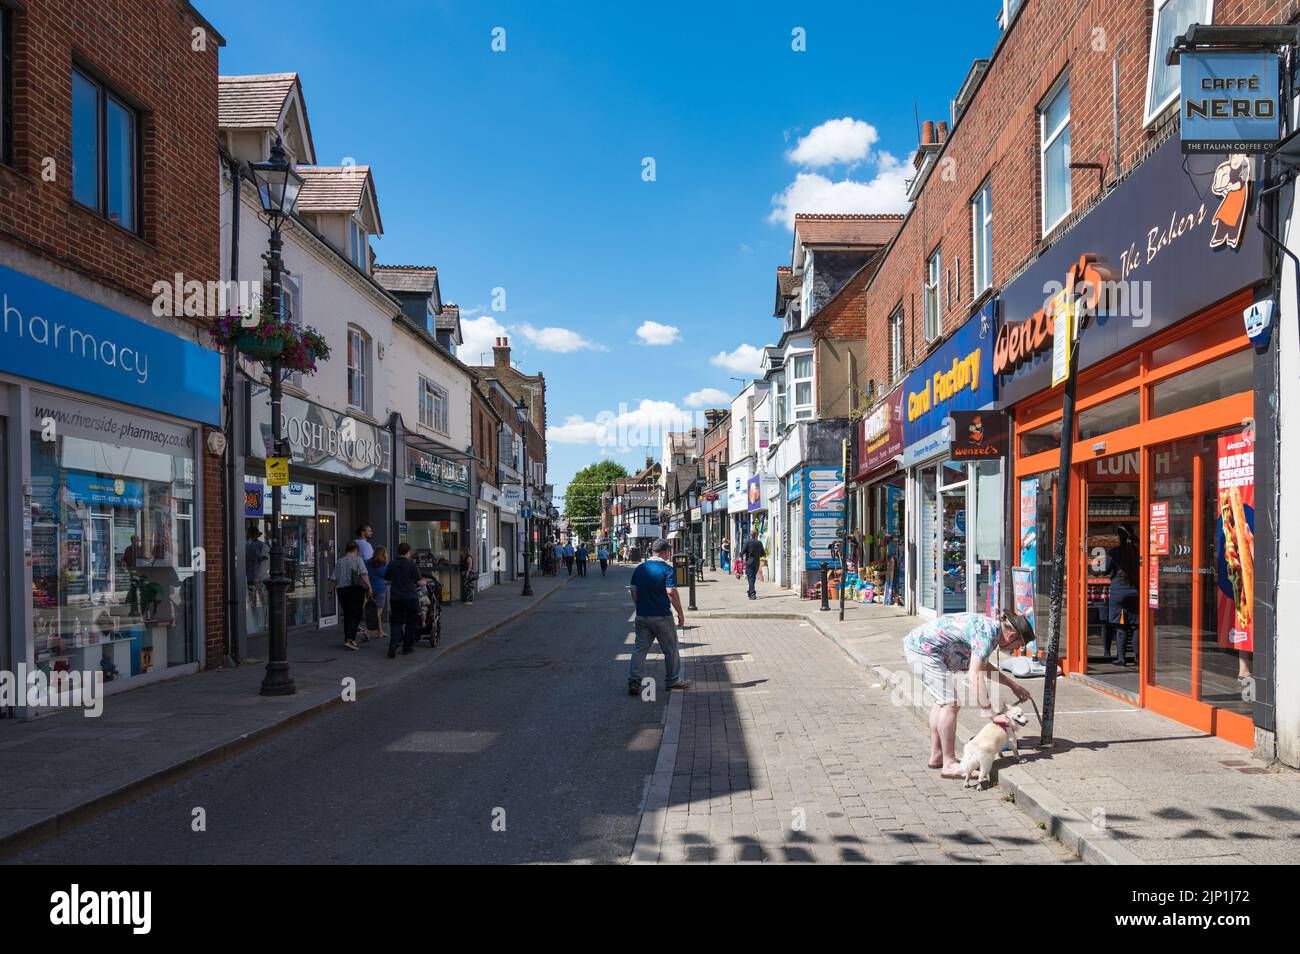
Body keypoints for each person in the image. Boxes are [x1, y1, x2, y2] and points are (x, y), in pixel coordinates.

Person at [902, 611, 1034, 777]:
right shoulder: (987, 635)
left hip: (920, 647)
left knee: (942, 702)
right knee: (951, 703)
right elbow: (975, 675)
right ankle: (949, 764)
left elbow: (983, 666)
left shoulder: (990, 631)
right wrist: (992, 715)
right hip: (924, 651)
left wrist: (1013, 685)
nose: (1017, 650)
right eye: (1019, 645)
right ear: (1011, 635)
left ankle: (937, 755)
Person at [627, 538, 689, 695]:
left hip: (642, 616)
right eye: (668, 551)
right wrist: (680, 613)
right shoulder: (666, 569)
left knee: (640, 649)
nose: (669, 553)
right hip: (661, 616)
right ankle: (672, 681)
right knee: (671, 649)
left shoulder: (640, 568)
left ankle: (634, 680)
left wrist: (639, 606)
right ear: (663, 552)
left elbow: (633, 591)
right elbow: (671, 592)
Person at [1104, 526, 1141, 665]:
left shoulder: (1114, 552)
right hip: (1136, 592)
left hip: (1118, 592)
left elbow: (1105, 570)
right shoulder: (1137, 552)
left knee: (1121, 625)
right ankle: (1138, 658)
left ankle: (1121, 658)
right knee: (1136, 624)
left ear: (1119, 537)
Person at [384, 543, 427, 658]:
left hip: (395, 598)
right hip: (410, 598)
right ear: (408, 552)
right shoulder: (411, 565)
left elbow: (386, 580)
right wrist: (424, 582)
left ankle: (393, 646)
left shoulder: (392, 564)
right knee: (411, 623)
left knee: (396, 623)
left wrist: (395, 582)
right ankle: (407, 648)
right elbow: (419, 581)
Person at [328, 541, 371, 651]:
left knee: (347, 614)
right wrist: (369, 587)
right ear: (356, 549)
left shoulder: (340, 561)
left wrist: (329, 592)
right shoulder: (358, 559)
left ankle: (349, 639)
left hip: (341, 591)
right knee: (356, 614)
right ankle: (350, 639)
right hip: (355, 590)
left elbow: (334, 578)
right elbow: (364, 574)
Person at [366, 546, 390, 643]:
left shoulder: (367, 562)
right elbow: (388, 579)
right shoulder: (384, 566)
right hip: (380, 590)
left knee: (375, 612)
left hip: (370, 589)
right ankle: (367, 631)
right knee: (377, 613)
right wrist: (388, 582)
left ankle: (380, 632)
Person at [244, 525, 269, 611]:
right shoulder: (262, 546)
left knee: (252, 599)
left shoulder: (246, 546)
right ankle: (264, 618)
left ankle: (255, 616)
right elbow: (265, 560)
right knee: (263, 599)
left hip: (250, 575)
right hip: (259, 576)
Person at [740, 530, 765, 600]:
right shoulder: (759, 543)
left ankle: (752, 593)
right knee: (753, 577)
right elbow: (763, 553)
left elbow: (742, 552)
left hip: (749, 562)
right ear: (756, 535)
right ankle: (750, 591)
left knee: (750, 577)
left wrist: (741, 556)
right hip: (757, 562)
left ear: (750, 535)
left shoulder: (748, 542)